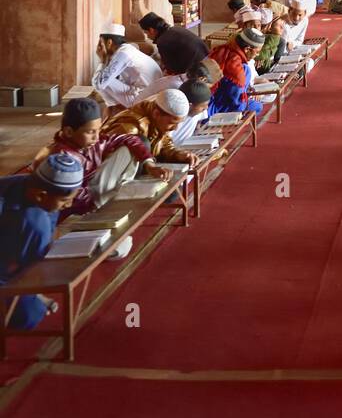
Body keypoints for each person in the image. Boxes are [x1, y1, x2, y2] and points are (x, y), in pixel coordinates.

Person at [26, 96, 167, 217]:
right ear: (69, 132)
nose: (96, 137)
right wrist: (95, 203)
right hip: (73, 206)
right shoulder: (59, 157)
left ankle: (113, 198)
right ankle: (108, 204)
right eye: (91, 132)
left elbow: (130, 139)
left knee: (133, 145)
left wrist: (150, 165)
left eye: (98, 130)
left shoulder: (95, 142)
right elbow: (68, 196)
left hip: (96, 192)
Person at [0, 153, 84, 330]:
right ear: (40, 195)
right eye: (65, 200)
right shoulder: (34, 221)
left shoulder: (34, 187)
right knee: (28, 317)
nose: (68, 205)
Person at [101, 89, 200, 167]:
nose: (175, 128)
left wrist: (177, 154)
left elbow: (163, 142)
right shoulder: (131, 128)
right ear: (156, 114)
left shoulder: (158, 116)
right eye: (172, 123)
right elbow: (109, 164)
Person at [92, 23, 162, 109]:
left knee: (99, 81)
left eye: (100, 43)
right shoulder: (126, 49)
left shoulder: (123, 54)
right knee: (106, 79)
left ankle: (112, 108)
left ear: (109, 42)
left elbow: (100, 84)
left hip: (144, 99)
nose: (99, 47)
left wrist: (102, 60)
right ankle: (114, 107)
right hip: (145, 93)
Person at [208, 27, 267, 115]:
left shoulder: (221, 50)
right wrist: (246, 99)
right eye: (257, 52)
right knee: (257, 106)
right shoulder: (239, 67)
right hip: (216, 107)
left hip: (207, 103)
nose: (257, 55)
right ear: (247, 49)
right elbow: (237, 103)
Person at [139, 13, 208, 78]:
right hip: (207, 62)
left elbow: (173, 70)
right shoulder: (175, 29)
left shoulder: (163, 41)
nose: (147, 36)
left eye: (146, 33)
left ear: (151, 30)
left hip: (198, 72)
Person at [170, 76, 214, 147]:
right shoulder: (171, 119)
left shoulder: (198, 110)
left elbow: (199, 122)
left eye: (207, 104)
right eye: (203, 106)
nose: (206, 108)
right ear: (189, 105)